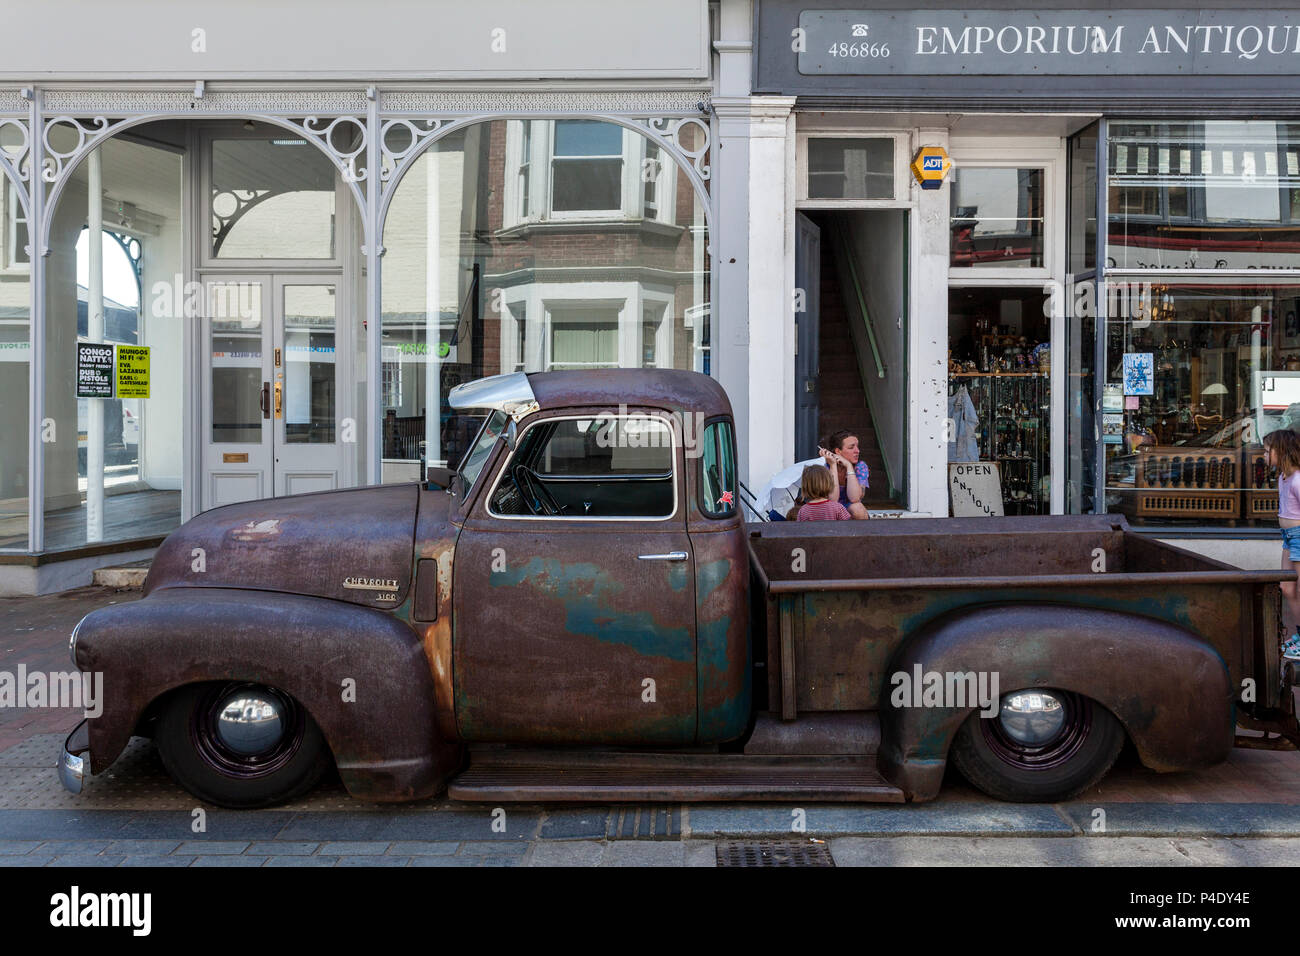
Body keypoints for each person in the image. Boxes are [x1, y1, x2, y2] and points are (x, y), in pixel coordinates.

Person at [1264, 428, 1300, 660]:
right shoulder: (1283, 478)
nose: (1264, 455)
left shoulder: (1297, 480)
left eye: (1268, 451)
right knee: (1287, 587)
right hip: (1288, 538)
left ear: (1283, 451)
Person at [819, 429, 870, 520]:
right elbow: (832, 500)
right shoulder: (824, 467)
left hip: (849, 509)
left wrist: (849, 466)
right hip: (829, 510)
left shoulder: (860, 467)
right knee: (831, 508)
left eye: (857, 447)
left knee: (857, 508)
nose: (857, 451)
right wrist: (833, 465)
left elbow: (855, 499)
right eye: (851, 447)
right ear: (838, 451)